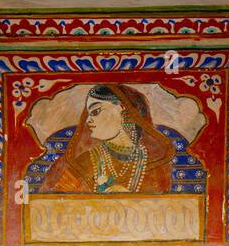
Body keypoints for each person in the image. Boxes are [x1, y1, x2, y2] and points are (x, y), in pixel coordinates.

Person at [25, 83, 195, 195]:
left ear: (123, 110)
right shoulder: (82, 163)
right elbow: (55, 210)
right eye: (88, 113)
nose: (88, 120)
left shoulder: (158, 161)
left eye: (96, 111)